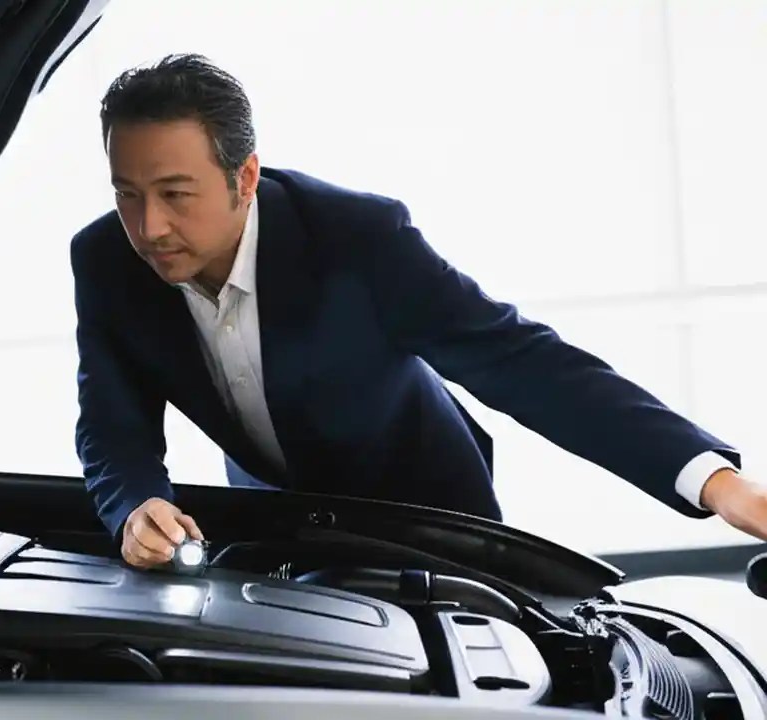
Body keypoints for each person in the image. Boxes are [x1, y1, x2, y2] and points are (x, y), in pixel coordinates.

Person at [70, 53, 767, 570]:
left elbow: (525, 364)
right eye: (127, 194)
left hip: (431, 514)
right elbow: (113, 423)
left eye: (175, 193)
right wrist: (135, 506)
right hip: (279, 521)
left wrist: (716, 483)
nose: (149, 227)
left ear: (244, 177)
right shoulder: (104, 260)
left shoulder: (357, 236)